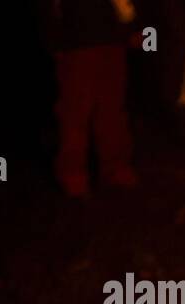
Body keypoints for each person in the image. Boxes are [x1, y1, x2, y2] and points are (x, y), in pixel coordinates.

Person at [46, 0, 138, 197]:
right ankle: (73, 173)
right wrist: (55, 39)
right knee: (76, 109)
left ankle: (115, 167)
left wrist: (130, 26)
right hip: (77, 40)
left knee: (111, 107)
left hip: (110, 38)